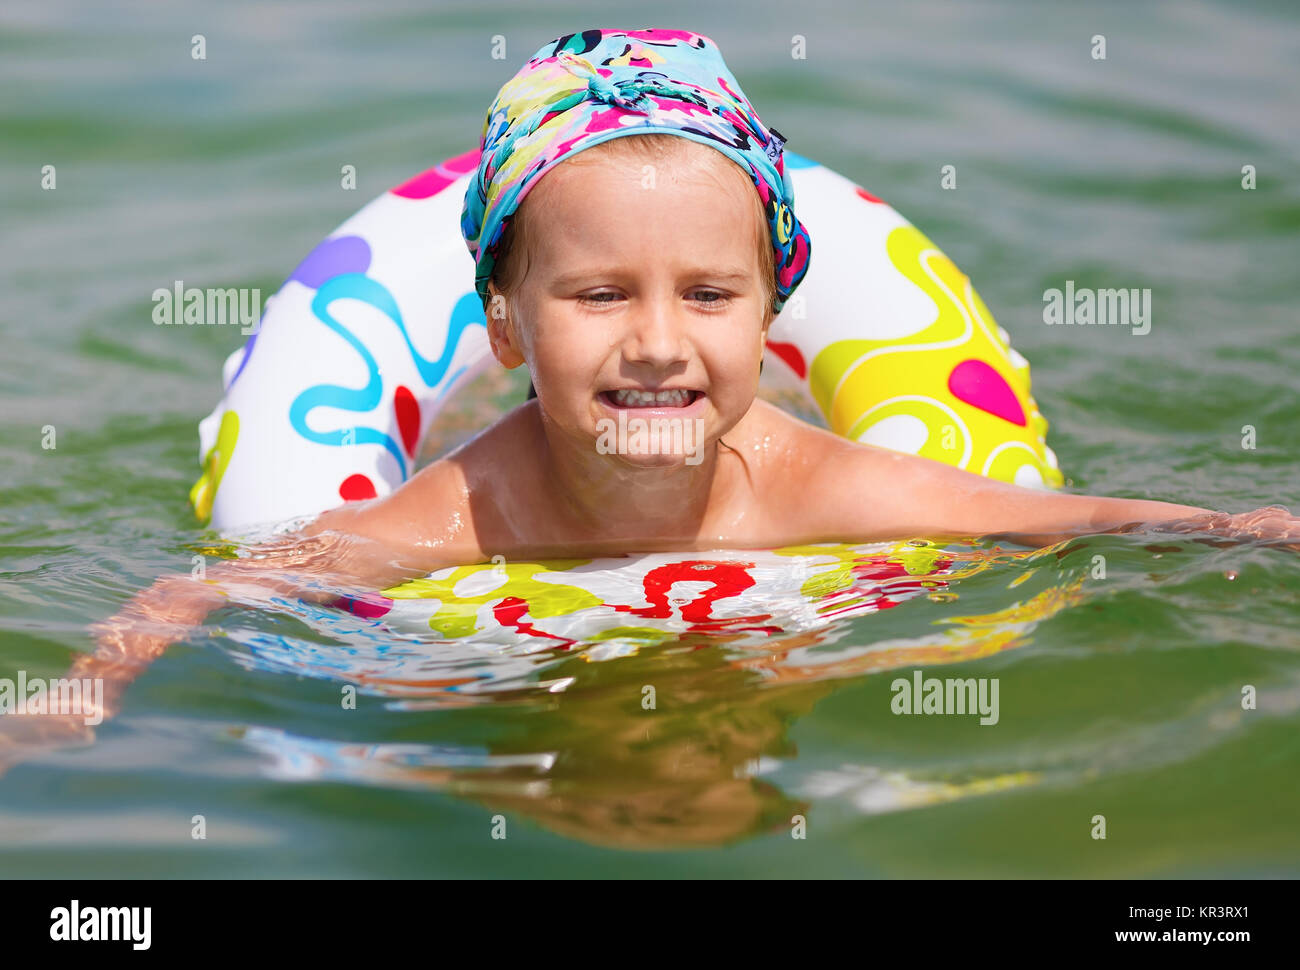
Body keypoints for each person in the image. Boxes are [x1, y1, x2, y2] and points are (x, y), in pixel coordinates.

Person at [3, 27, 1296, 771]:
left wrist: (1234, 529)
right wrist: (92, 682)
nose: (661, 344)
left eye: (711, 297)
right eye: (601, 295)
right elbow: (219, 584)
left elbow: (1055, 515)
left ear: (773, 319)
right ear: (505, 323)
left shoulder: (817, 486)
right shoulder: (471, 508)